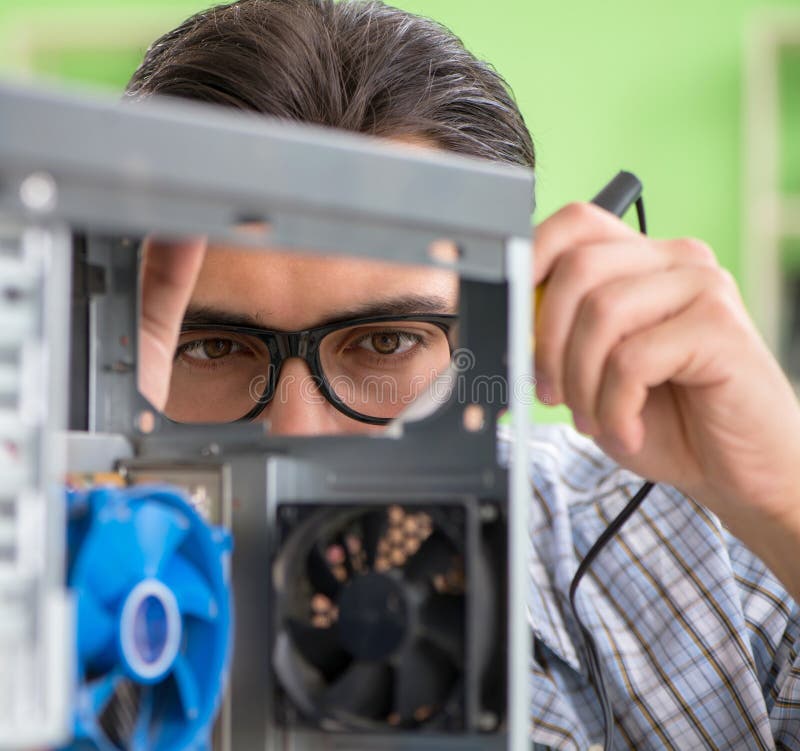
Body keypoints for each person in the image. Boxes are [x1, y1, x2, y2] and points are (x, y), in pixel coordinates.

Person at [128, 0, 800, 747]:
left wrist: (785, 503)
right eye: (215, 349)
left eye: (385, 342)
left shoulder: (704, 555)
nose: (297, 432)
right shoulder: (52, 592)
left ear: (503, 330)